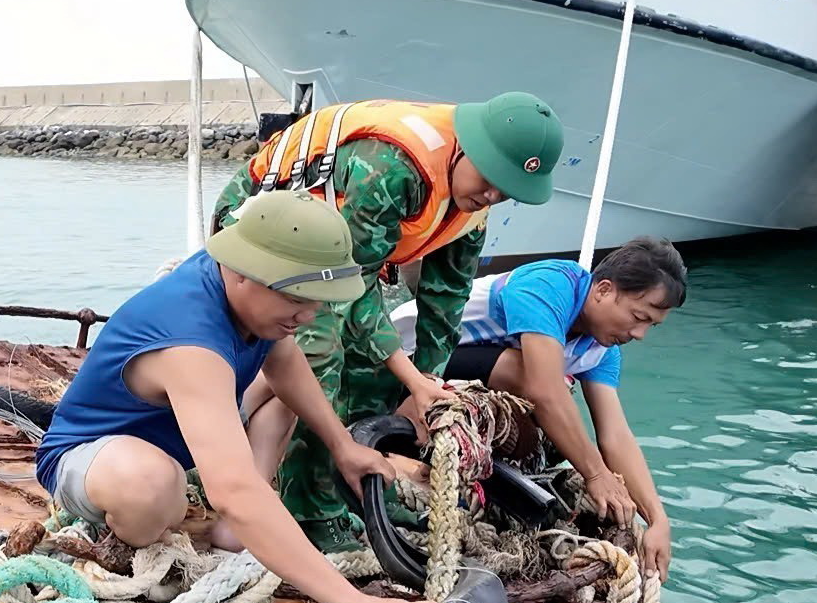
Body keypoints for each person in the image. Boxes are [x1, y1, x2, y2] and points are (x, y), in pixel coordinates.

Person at [34, 190, 465, 603]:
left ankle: (238, 529)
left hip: (181, 432)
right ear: (242, 274)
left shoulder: (243, 295)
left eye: (318, 300)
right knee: (153, 485)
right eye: (296, 298)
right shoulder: (191, 343)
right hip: (96, 457)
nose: (308, 315)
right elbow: (232, 490)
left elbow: (284, 364)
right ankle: (156, 527)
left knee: (286, 399)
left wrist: (343, 446)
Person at [206, 93, 564, 551]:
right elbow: (350, 289)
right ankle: (311, 510)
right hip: (264, 237)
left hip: (334, 260)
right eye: (490, 178)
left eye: (507, 189)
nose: (493, 195)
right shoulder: (392, 168)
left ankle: (354, 486)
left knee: (378, 369)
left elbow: (446, 297)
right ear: (466, 148)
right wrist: (410, 375)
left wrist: (427, 385)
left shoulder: (474, 204)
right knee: (320, 354)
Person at [427, 237, 686, 576]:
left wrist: (656, 518)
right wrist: (595, 473)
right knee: (545, 378)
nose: (640, 333)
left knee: (551, 400)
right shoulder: (550, 284)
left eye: (651, 324)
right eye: (638, 316)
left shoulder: (601, 348)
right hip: (419, 359)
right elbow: (543, 390)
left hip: (480, 381)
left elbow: (615, 435)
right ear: (603, 290)